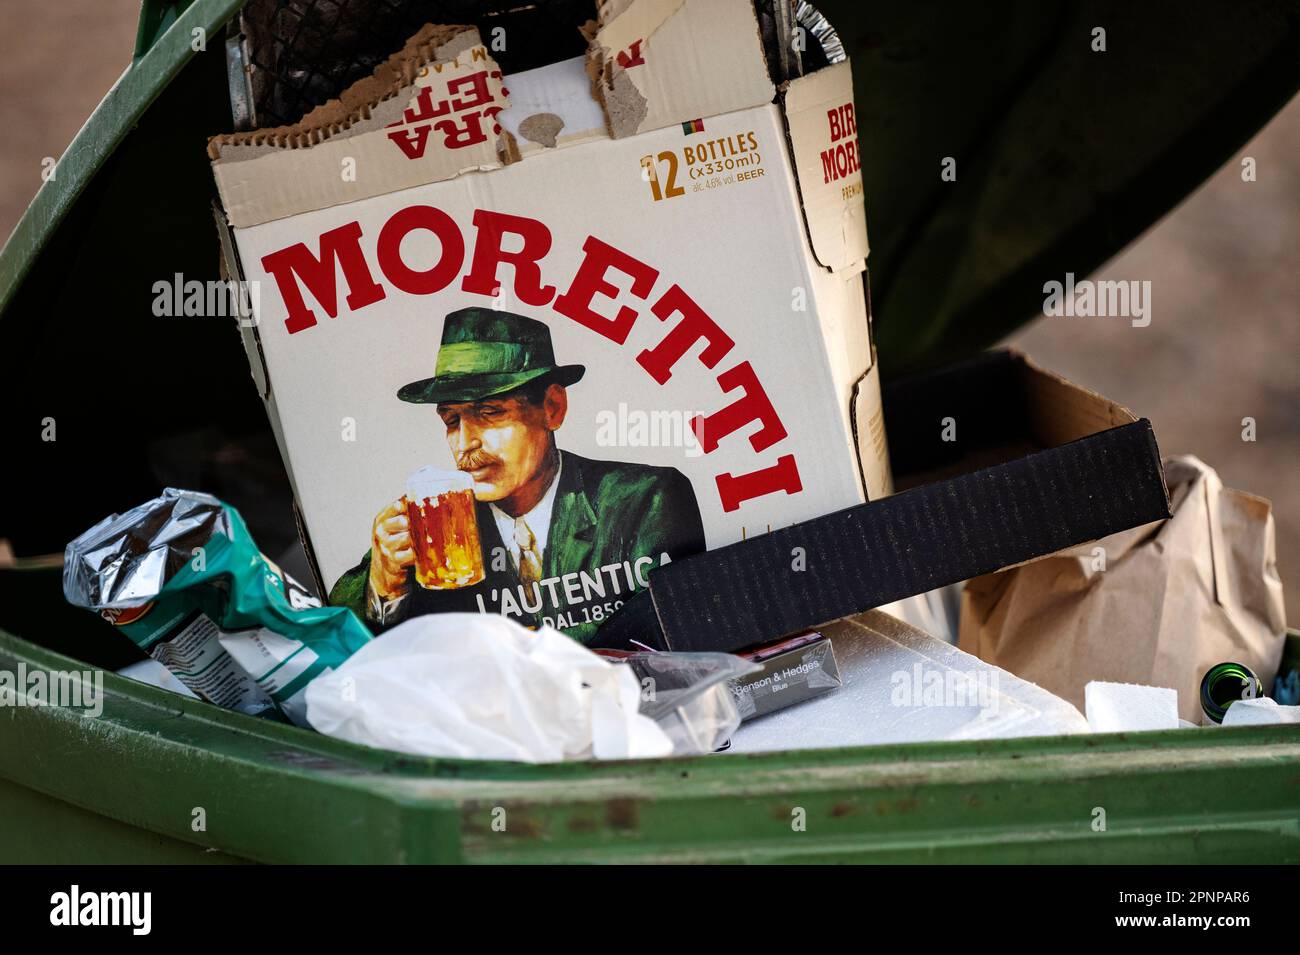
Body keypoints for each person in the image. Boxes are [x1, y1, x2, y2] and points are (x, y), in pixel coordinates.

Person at [328, 307, 705, 644]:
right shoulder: (436, 526)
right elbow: (342, 644)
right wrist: (383, 587)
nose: (465, 444)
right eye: (451, 420)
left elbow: (676, 632)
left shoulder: (645, 499)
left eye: (490, 412)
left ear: (552, 408)